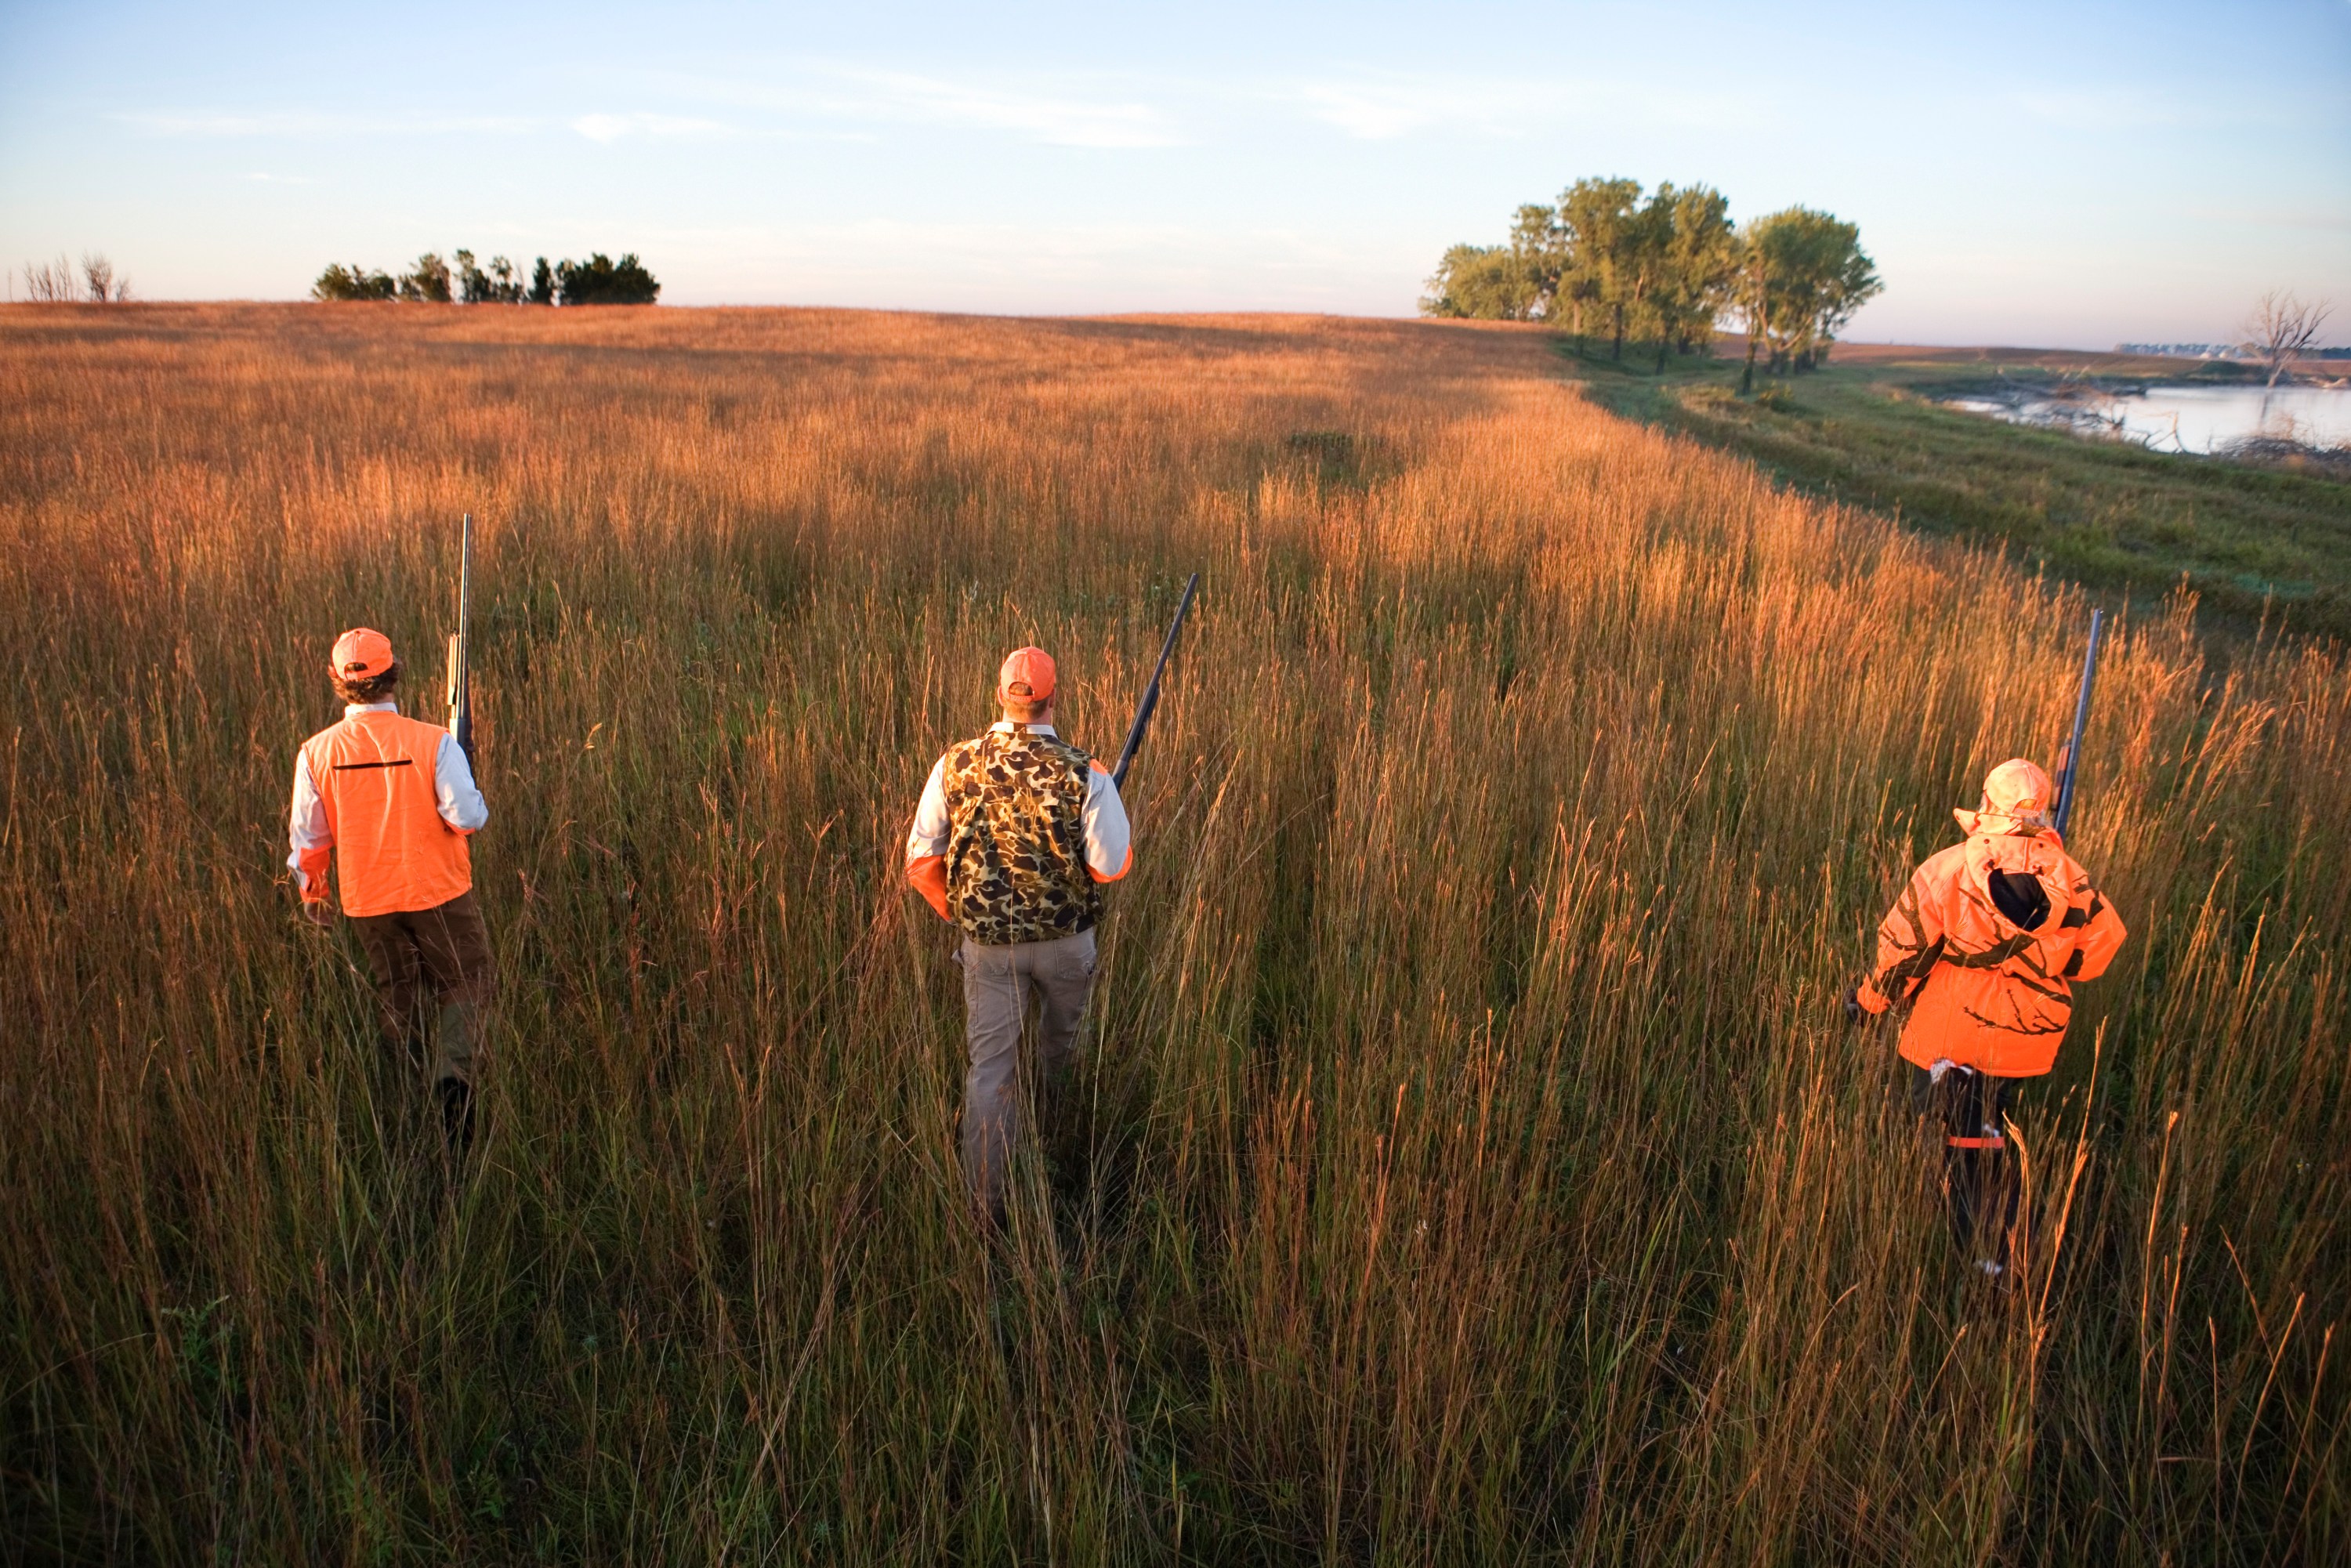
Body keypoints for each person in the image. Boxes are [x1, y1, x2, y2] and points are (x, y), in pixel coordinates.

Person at [1847, 758, 2127, 1280]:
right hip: (2025, 1041)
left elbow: (1901, 954)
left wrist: (1866, 1003)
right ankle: (2008, 1249)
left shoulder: (1950, 867)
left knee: (1947, 1138)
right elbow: (2100, 949)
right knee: (1987, 1124)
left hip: (1949, 1033)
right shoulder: (2072, 878)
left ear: (1986, 803)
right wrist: (2047, 954)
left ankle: (1985, 1261)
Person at [905, 646, 1133, 1218]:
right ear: (1055, 697)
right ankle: (1055, 1147)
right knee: (1060, 1051)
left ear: (1000, 694)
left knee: (991, 1073)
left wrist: (962, 913)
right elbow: (1110, 867)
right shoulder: (1088, 771)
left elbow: (918, 860)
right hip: (1065, 945)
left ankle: (985, 1208)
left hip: (988, 949)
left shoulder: (953, 763)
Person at [288, 628, 492, 1149]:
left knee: (397, 996)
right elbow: (467, 815)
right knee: (464, 983)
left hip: (367, 902)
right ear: (394, 671)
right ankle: (454, 1086)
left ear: (336, 680)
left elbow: (309, 839)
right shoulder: (433, 741)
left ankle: (399, 1099)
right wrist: (467, 783)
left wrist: (314, 895)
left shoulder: (315, 753)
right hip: (440, 894)